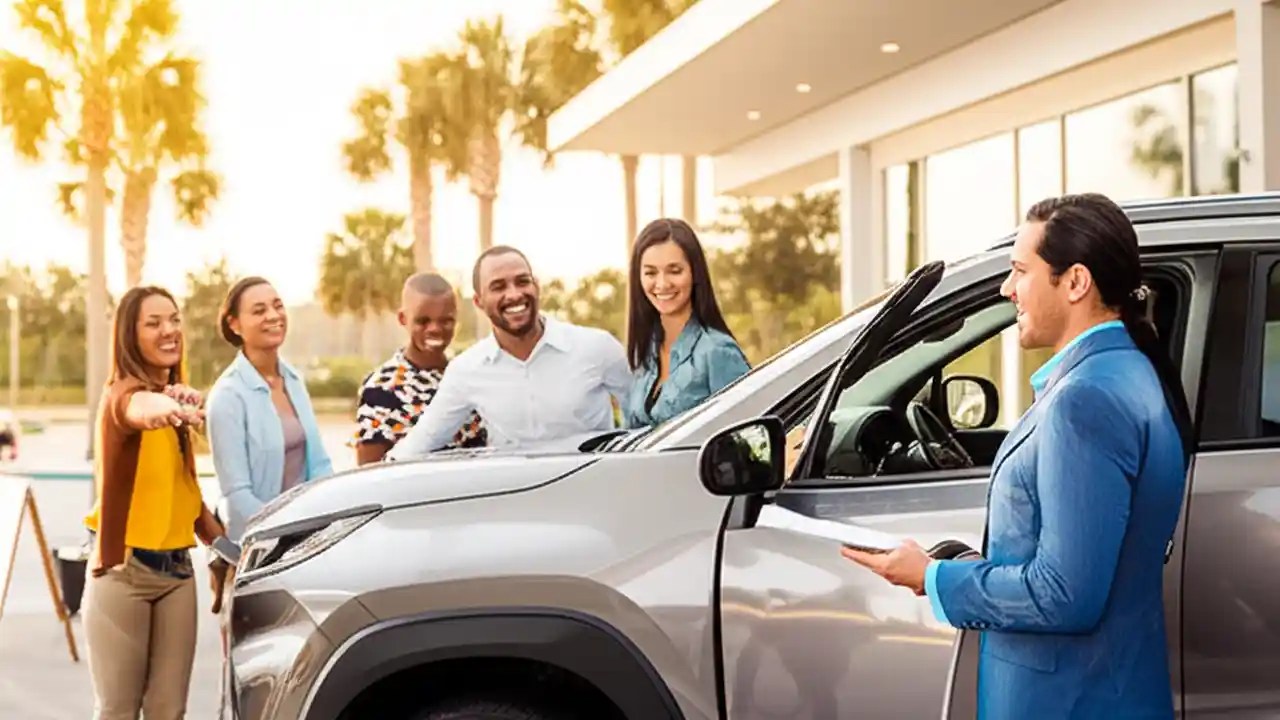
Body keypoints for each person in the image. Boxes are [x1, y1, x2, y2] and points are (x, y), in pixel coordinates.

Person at [842, 193, 1192, 719]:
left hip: (1069, 702)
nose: (1008, 289)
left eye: (1020, 271)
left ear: (1075, 282)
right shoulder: (1130, 375)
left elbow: (1065, 594)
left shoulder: (1084, 400)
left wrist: (933, 579)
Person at [81, 286, 226, 720]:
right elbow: (135, 407)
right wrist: (162, 405)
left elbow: (187, 498)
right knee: (118, 711)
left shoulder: (173, 403)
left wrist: (229, 551)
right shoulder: (121, 396)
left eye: (174, 319)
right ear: (131, 334)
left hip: (177, 574)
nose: (169, 330)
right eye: (154, 323)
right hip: (123, 573)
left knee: (169, 711)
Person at [387, 246, 631, 458]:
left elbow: (644, 420)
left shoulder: (597, 348)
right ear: (479, 302)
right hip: (515, 503)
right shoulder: (467, 369)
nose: (514, 294)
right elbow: (423, 440)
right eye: (498, 286)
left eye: (522, 281)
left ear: (536, 287)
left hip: (593, 495)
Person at [207, 276, 334, 542]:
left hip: (308, 541)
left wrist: (324, 521)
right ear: (235, 324)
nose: (273, 315)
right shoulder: (227, 396)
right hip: (259, 547)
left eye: (278, 306)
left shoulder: (294, 379)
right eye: (259, 310)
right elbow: (237, 495)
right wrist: (286, 532)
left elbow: (320, 465)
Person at [623, 218, 749, 428]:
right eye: (650, 273)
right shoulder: (644, 355)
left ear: (694, 273)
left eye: (674, 271)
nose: (662, 284)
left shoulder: (717, 351)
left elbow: (748, 434)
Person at [353, 272, 486, 465]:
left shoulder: (467, 375)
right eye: (423, 321)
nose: (435, 329)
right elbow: (368, 474)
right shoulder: (382, 388)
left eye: (445, 320)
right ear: (403, 319)